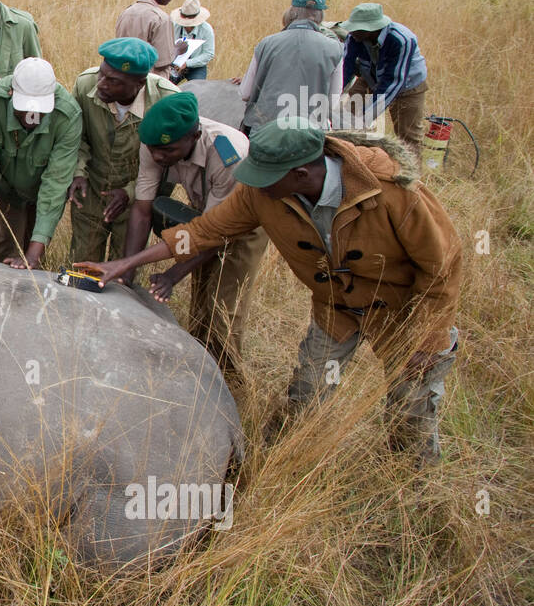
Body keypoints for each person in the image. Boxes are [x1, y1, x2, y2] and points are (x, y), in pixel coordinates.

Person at [77, 117, 461, 465]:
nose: (255, 183)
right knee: (307, 391)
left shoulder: (392, 190)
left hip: (404, 310)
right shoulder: (264, 193)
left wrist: (428, 337)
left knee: (411, 402)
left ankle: (414, 478)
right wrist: (125, 264)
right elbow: (203, 232)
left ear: (301, 173)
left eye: (265, 175)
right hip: (337, 308)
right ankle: (277, 464)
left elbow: (442, 264)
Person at [113, 93, 267, 383]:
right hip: (205, 216)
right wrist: (127, 272)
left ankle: (229, 382)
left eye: (167, 152)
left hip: (243, 223)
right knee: (200, 304)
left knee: (223, 306)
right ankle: (200, 370)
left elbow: (217, 232)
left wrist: (172, 274)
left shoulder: (227, 154)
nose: (158, 157)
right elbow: (143, 210)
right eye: (154, 150)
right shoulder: (155, 143)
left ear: (194, 135)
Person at [0, 57, 81, 269]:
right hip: (8, 186)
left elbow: (55, 184)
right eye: (23, 107)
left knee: (31, 259)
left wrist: (33, 256)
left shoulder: (68, 116)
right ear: (11, 93)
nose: (30, 115)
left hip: (43, 186)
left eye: (39, 109)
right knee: (7, 250)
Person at [68, 37, 179, 265]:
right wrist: (79, 172)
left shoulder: (167, 102)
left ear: (139, 83)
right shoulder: (85, 85)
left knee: (122, 272)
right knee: (80, 268)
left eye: (113, 81)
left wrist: (130, 192)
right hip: (91, 192)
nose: (101, 84)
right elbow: (75, 136)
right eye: (101, 73)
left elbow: (170, 164)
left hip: (138, 203)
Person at [237, 0, 343, 136]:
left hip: (265, 130)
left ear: (292, 12)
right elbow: (333, 102)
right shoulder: (335, 48)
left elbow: (245, 93)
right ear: (320, 16)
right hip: (311, 133)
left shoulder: (267, 43)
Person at [339, 3, 429, 153]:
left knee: (408, 136)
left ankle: (411, 175)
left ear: (371, 28)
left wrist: (367, 116)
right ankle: (356, 156)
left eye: (356, 28)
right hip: (371, 76)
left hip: (407, 85)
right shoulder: (354, 37)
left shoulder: (401, 39)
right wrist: (334, 97)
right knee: (350, 120)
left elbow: (393, 82)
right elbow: (346, 68)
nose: (351, 31)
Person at [115, 0, 184, 79]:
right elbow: (162, 63)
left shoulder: (126, 13)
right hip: (149, 86)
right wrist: (177, 50)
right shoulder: (161, 19)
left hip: (123, 82)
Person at [169, 0, 214, 83]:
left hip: (196, 66)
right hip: (174, 65)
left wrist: (187, 63)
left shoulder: (206, 30)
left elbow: (208, 54)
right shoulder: (174, 26)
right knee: (164, 86)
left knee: (198, 89)